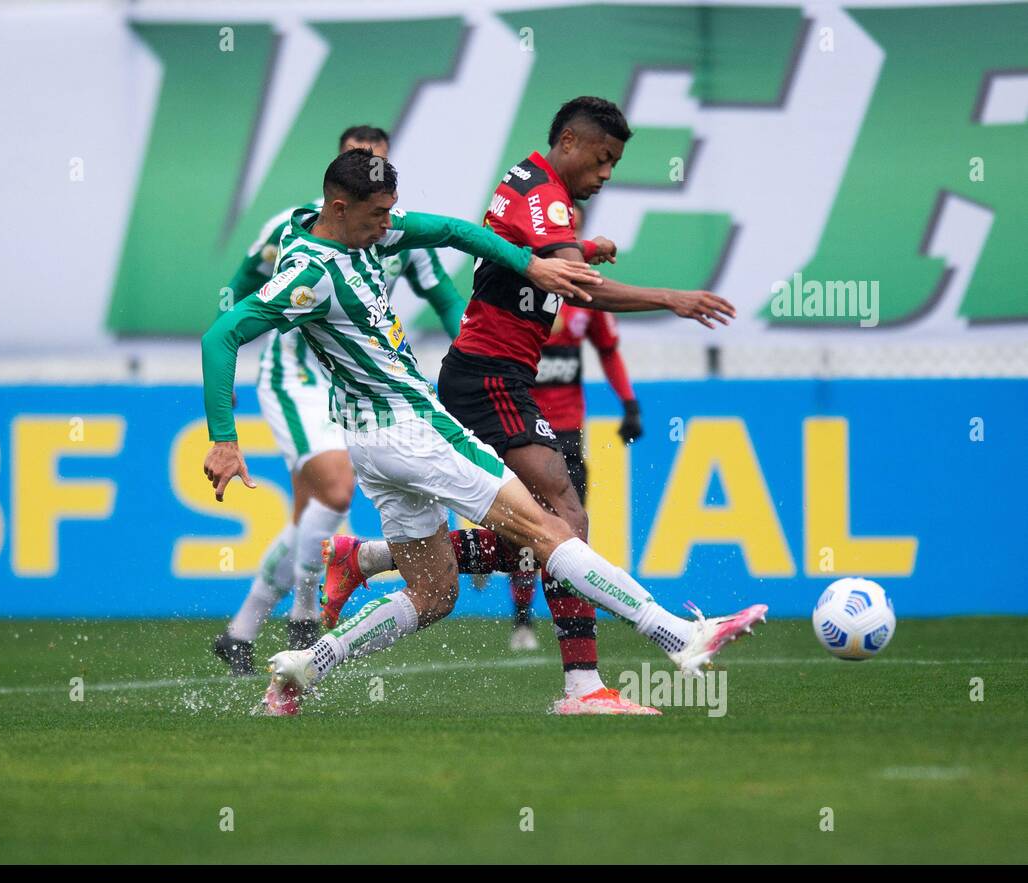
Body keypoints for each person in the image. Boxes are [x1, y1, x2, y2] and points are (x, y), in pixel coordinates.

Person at [200, 149, 766, 717]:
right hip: (411, 430)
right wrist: (225, 439)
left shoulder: (354, 231)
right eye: (377, 215)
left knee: (432, 593)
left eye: (391, 212)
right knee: (550, 527)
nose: (387, 224)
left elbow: (452, 230)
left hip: (373, 445)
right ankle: (677, 637)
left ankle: (306, 667)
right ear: (341, 208)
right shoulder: (310, 273)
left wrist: (534, 264)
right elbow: (221, 335)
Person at [322, 96, 740, 713]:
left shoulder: (540, 190)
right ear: (568, 142)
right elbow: (582, 292)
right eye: (602, 160)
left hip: (496, 378)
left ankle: (371, 557)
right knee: (566, 518)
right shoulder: (543, 194)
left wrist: (576, 251)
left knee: (548, 530)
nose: (606, 175)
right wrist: (670, 297)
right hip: (488, 378)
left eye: (614, 165)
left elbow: (527, 259)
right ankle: (585, 687)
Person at [212, 126, 465, 675]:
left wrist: (471, 358)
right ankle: (304, 619)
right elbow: (237, 288)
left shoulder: (391, 232)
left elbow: (444, 295)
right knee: (337, 488)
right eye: (360, 161)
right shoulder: (292, 227)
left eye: (380, 163)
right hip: (294, 377)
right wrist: (222, 355)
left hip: (353, 384)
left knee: (313, 512)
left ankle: (241, 630)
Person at [507, 201, 640, 650]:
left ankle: (572, 628)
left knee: (570, 523)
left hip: (567, 428)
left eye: (575, 229)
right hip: (521, 426)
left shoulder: (587, 293)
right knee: (525, 523)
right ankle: (523, 617)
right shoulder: (521, 280)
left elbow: (608, 349)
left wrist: (629, 403)